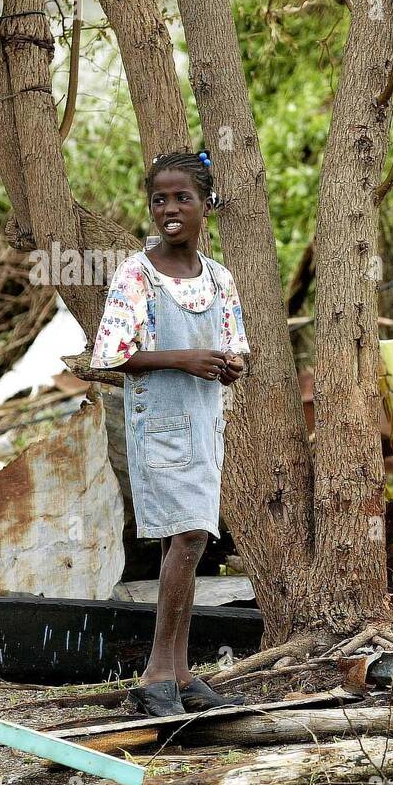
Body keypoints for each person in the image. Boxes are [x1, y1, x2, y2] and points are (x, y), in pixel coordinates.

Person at [90, 150, 250, 716]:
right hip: (158, 424)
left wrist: (228, 366)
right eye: (160, 199)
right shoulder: (138, 274)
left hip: (205, 427)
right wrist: (185, 359)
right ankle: (157, 674)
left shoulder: (220, 277)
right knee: (183, 539)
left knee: (195, 537)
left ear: (207, 204)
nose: (170, 208)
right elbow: (111, 355)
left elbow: (235, 351)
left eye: (183, 197)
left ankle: (180, 675)